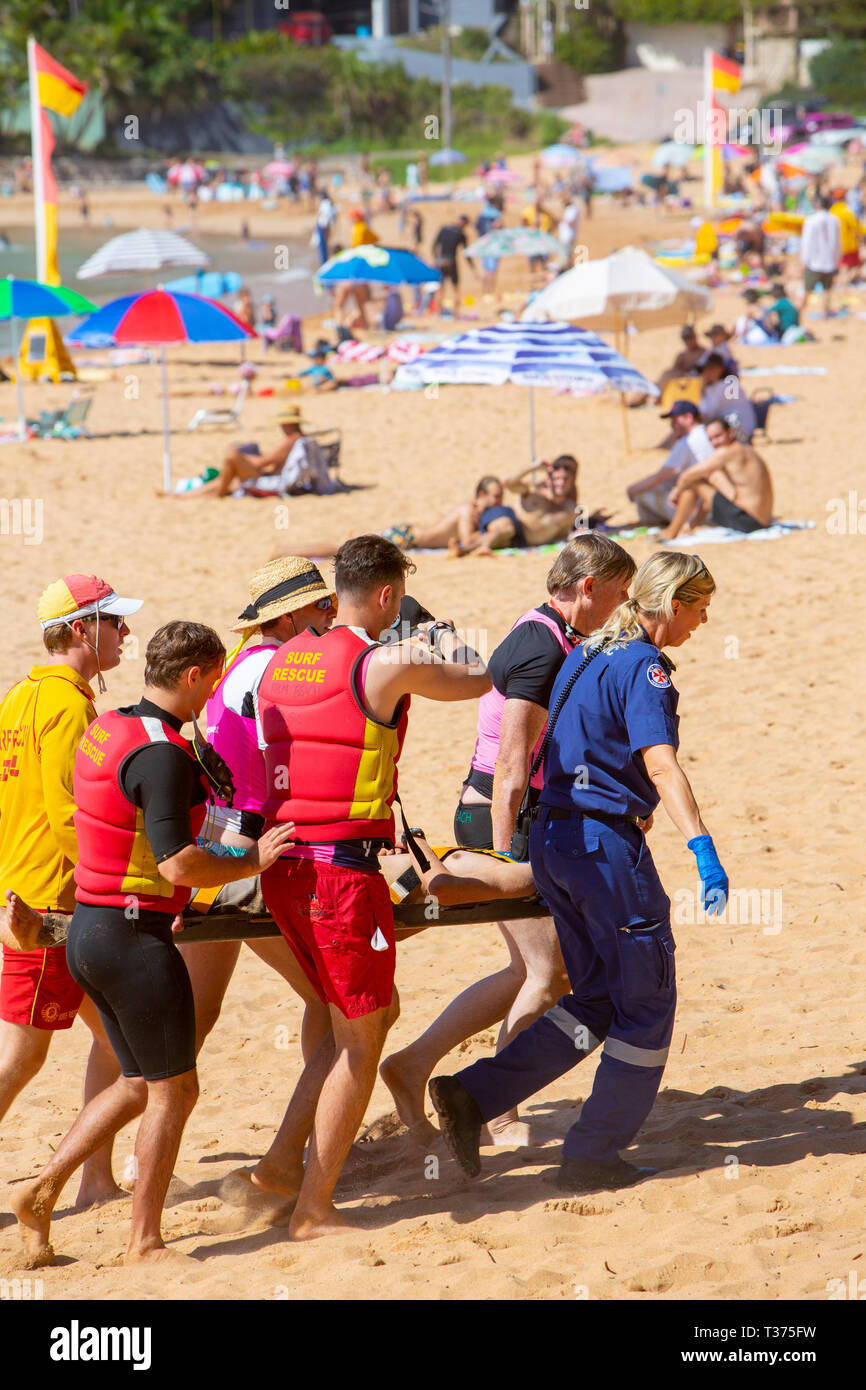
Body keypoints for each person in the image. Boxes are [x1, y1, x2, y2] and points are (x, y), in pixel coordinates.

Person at [429, 553, 728, 1194]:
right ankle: (593, 1152)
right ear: (673, 604)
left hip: (556, 844)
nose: (704, 622)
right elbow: (662, 766)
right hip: (601, 851)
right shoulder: (642, 667)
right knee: (646, 1001)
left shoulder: (587, 653)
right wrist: (701, 844)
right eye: (701, 609)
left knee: (592, 999)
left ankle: (476, 1093)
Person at [11, 622, 297, 1266]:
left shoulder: (108, 726)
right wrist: (253, 859)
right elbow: (178, 864)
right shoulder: (164, 753)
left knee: (138, 1081)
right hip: (132, 940)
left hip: (88, 927)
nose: (214, 693)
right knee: (176, 1091)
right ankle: (144, 1241)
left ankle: (43, 1189)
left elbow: (117, 830)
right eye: (213, 679)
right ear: (193, 675)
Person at [242, 536, 491, 1237]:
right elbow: (478, 676)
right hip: (340, 873)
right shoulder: (384, 660)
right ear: (386, 596)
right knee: (361, 1037)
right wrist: (435, 630)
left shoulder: (280, 662)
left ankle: (279, 1169)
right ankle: (312, 1210)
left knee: (358, 1017)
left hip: (283, 864)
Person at [382, 537, 636, 1143]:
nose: (624, 604)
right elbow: (512, 766)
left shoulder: (557, 634)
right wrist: (501, 850)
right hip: (498, 814)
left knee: (541, 970)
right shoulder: (538, 645)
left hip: (520, 812)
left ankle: (415, 1065)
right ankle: (496, 1105)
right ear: (589, 586)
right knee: (547, 974)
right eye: (620, 592)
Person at [0, 575, 142, 1210]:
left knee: (116, 1042)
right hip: (50, 904)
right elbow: (67, 813)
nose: (126, 633)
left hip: (31, 889)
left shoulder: (19, 697)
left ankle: (96, 1178)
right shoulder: (69, 706)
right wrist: (116, 878)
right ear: (83, 629)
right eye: (115, 622)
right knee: (21, 1058)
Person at [179, 560, 338, 1064]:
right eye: (323, 605)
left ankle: (127, 1144)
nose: (332, 615)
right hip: (250, 852)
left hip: (215, 844)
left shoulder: (243, 662)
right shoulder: (280, 669)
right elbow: (291, 768)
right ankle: (311, 1143)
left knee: (190, 1025)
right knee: (333, 1001)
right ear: (290, 617)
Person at [168, 406, 334, 499]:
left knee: (232, 457)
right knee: (229, 479)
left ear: (289, 424)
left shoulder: (290, 440)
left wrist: (242, 457)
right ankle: (183, 495)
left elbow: (263, 462)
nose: (281, 426)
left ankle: (201, 495)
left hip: (271, 479)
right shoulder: (298, 439)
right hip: (271, 475)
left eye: (283, 423)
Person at [659, 415, 774, 539]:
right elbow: (709, 501)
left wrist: (676, 492)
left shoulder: (727, 452)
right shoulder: (746, 449)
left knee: (694, 482)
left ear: (730, 432)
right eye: (711, 439)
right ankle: (689, 527)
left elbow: (687, 476)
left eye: (718, 436)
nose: (715, 443)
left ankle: (671, 532)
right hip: (763, 521)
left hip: (749, 522)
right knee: (711, 477)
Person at [627, 401, 714, 527]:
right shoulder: (709, 433)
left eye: (674, 421)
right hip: (714, 502)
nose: (672, 426)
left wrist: (631, 490)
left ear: (688, 418)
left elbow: (660, 476)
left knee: (641, 494)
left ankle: (656, 523)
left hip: (701, 511)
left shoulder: (687, 441)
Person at [503, 454, 601, 544]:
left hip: (531, 543)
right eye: (557, 478)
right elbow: (510, 484)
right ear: (548, 480)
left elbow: (561, 536)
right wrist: (533, 467)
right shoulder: (533, 491)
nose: (561, 483)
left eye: (565, 479)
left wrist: (572, 536)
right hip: (512, 534)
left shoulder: (570, 509)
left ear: (571, 481)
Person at [800, 195, 842, 320]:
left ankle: (799, 315)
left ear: (817, 205)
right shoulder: (835, 220)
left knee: (807, 290)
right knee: (826, 290)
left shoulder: (811, 220)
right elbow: (837, 242)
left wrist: (804, 260)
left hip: (814, 261)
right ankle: (824, 315)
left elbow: (807, 242)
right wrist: (836, 258)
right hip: (830, 260)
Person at [698, 353, 756, 441]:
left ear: (719, 369)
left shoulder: (727, 385)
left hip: (741, 432)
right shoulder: (716, 387)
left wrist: (703, 393)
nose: (705, 373)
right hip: (733, 428)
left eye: (709, 369)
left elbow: (708, 412)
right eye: (703, 370)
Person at [432, 216, 470, 313]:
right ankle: (455, 311)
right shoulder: (461, 234)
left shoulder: (444, 228)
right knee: (455, 287)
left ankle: (438, 311)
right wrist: (473, 269)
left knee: (441, 287)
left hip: (441, 260)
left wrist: (436, 259)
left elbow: (434, 245)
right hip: (452, 261)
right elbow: (467, 253)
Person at [829, 188, 861, 288]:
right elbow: (856, 227)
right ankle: (843, 286)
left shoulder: (832, 211)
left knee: (843, 268)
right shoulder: (846, 211)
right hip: (849, 245)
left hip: (836, 245)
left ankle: (842, 286)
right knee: (853, 267)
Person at [315, 191, 336, 264]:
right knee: (324, 244)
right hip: (325, 226)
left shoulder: (325, 204)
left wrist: (325, 228)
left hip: (323, 226)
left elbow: (326, 217)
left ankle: (324, 262)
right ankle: (324, 261)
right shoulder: (328, 203)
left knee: (322, 245)